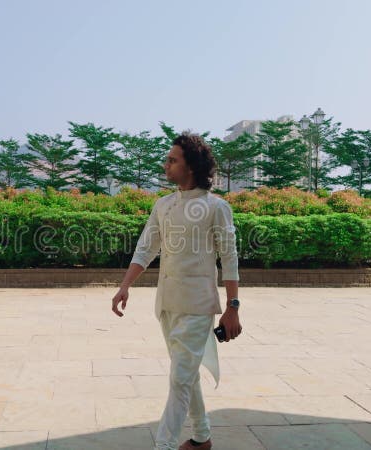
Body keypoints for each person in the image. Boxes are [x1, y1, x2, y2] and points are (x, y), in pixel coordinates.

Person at [111, 132, 242, 450]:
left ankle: (164, 445)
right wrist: (125, 286)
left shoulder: (216, 207)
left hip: (198, 307)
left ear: (191, 167)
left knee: (180, 378)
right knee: (187, 374)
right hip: (167, 305)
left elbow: (229, 257)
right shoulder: (164, 205)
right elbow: (146, 249)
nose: (165, 165)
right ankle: (202, 436)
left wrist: (232, 306)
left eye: (172, 160)